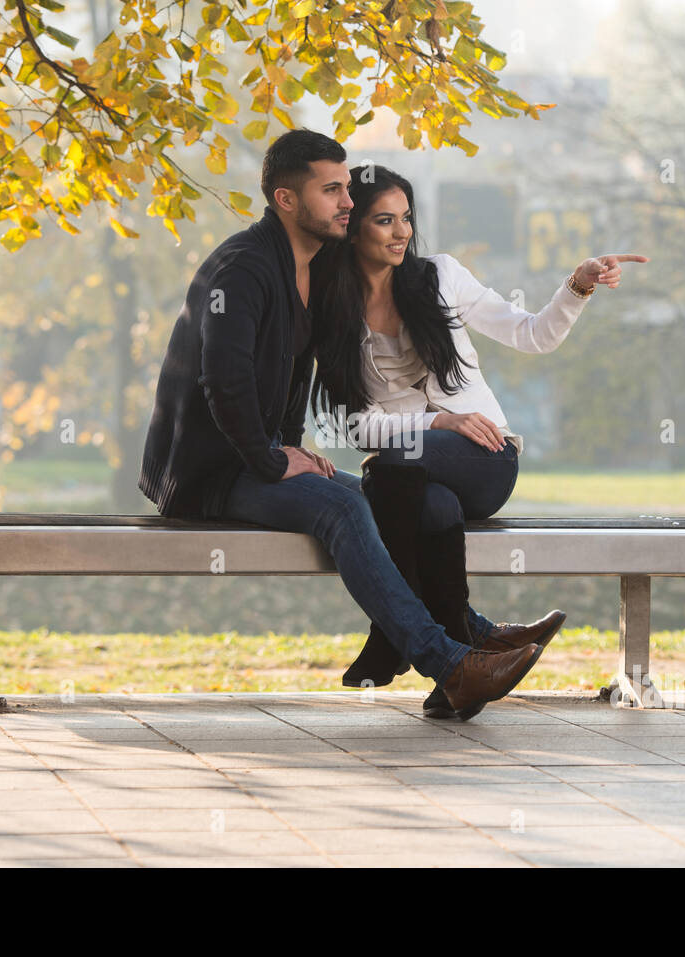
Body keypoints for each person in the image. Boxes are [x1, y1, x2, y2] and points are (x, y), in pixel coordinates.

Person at [137, 129, 549, 720]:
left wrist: (290, 447)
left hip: (255, 456)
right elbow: (221, 380)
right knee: (346, 507)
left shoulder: (316, 269)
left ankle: (471, 629)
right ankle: (451, 663)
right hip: (211, 471)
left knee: (418, 502)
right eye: (331, 190)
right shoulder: (244, 270)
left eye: (345, 187)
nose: (347, 201)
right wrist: (274, 458)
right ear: (286, 199)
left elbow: (288, 374)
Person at [309, 164, 649, 716]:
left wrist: (578, 284)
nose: (401, 233)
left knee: (385, 473)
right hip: (418, 481)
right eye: (384, 221)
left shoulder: (439, 278)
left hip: (485, 462)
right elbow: (352, 427)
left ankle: (392, 635)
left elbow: (531, 334)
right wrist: (435, 423)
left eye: (407, 219)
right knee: (424, 500)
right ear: (353, 229)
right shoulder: (332, 311)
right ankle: (459, 669)